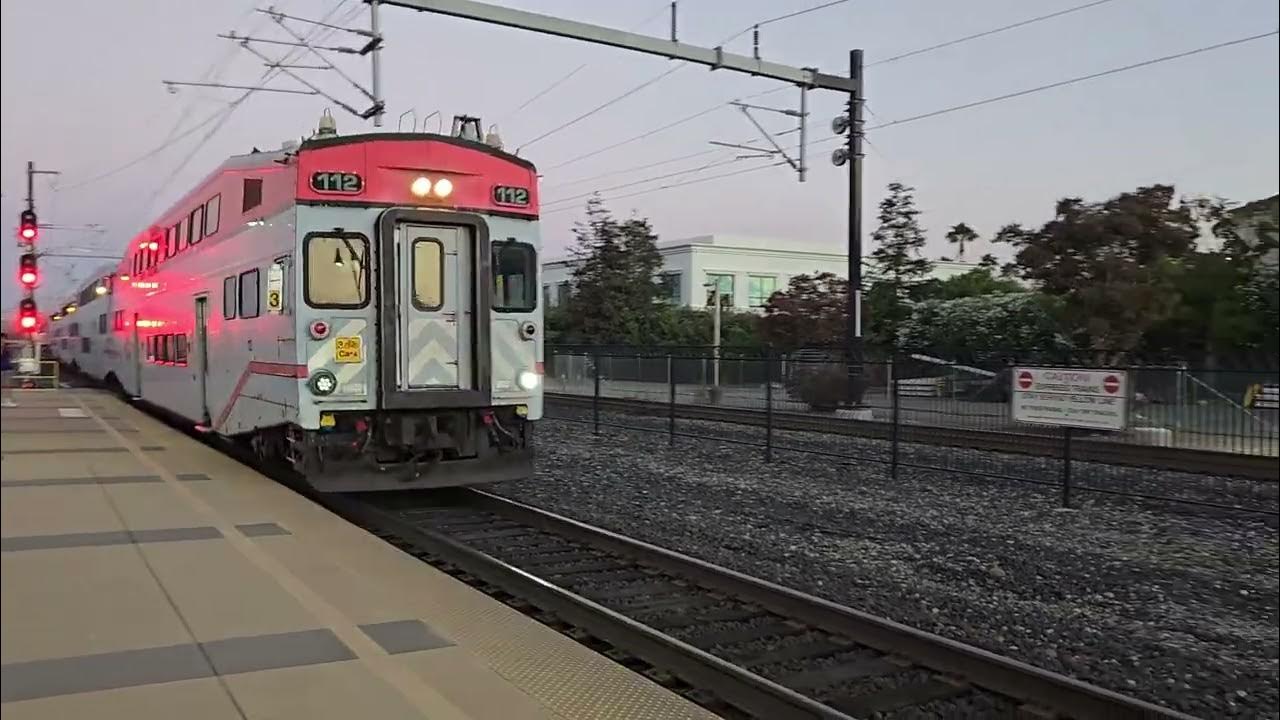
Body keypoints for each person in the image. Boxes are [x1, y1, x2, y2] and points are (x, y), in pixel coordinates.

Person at [1, 332, 16, 407]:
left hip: (7, 368)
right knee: (3, 385)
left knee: (7, 385)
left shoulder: (7, 348)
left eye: (4, 338)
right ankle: (4, 400)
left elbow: (21, 344)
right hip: (2, 368)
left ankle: (7, 400)